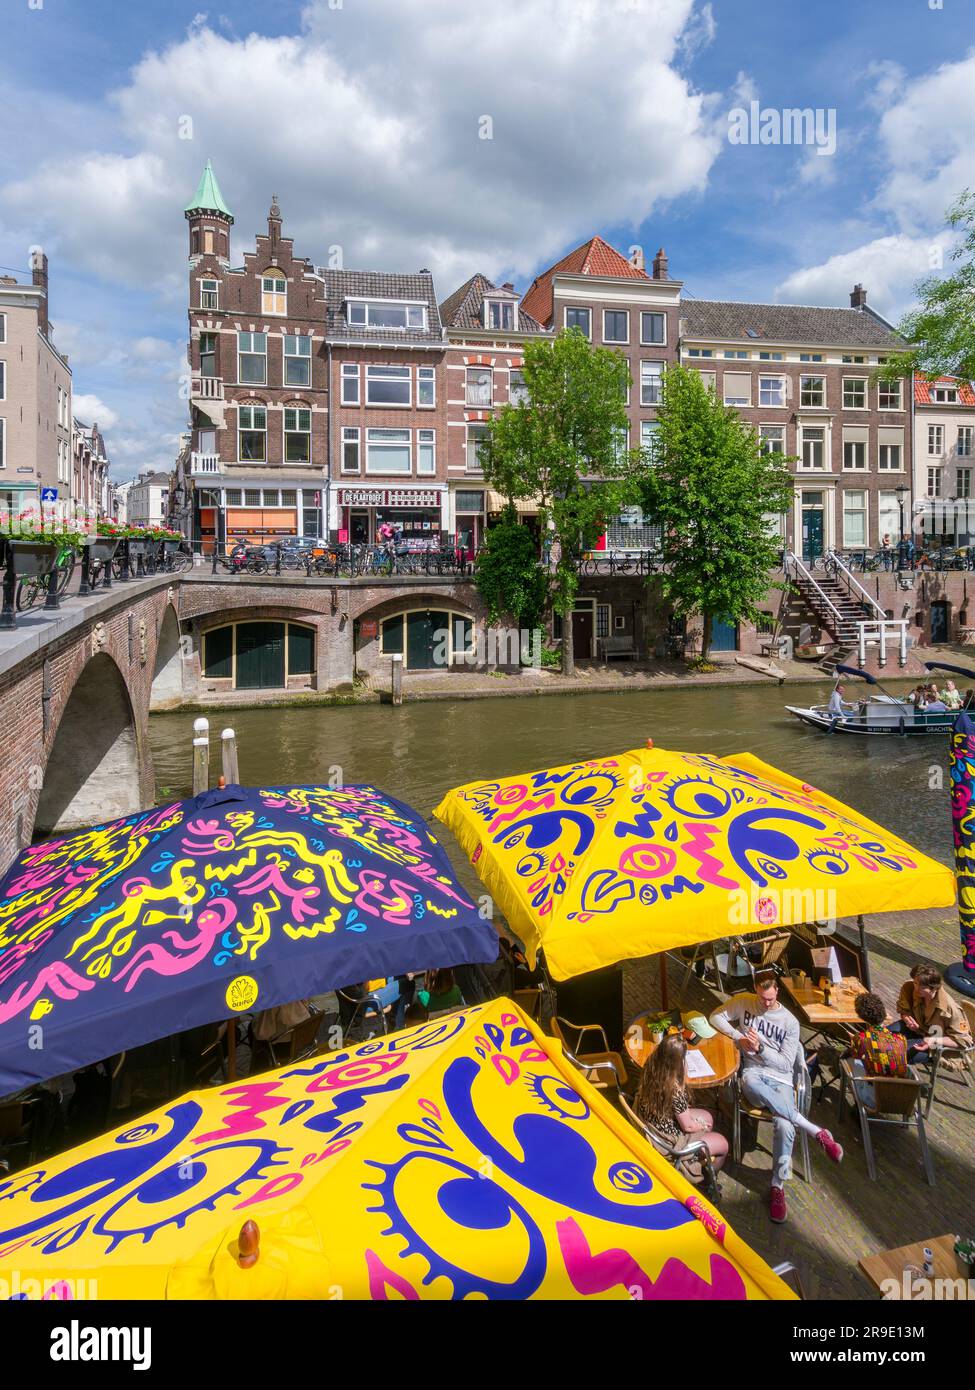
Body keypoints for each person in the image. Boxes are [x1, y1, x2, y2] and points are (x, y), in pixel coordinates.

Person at [710, 969, 842, 1224]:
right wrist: (739, 1038)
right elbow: (715, 1017)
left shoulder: (790, 1022)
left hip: (780, 1079)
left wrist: (760, 1048)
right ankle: (816, 1132)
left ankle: (778, 1185)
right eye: (761, 997)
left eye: (769, 999)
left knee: (784, 1125)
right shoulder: (745, 1002)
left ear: (777, 992)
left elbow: (784, 1064)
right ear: (756, 989)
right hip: (754, 1075)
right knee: (748, 1081)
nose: (765, 1003)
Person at [633, 1033, 728, 1180]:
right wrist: (701, 1126)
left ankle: (702, 1151)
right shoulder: (674, 1090)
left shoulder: (650, 1067)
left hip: (653, 1120)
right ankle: (709, 1181)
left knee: (708, 1115)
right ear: (678, 1062)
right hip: (668, 1138)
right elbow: (688, 1127)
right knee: (723, 1144)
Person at [891, 964, 972, 1063]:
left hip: (935, 1046)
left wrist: (933, 1040)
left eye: (922, 987)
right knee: (882, 1036)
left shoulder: (950, 1009)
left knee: (895, 1053)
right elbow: (903, 1009)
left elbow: (965, 1041)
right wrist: (907, 1019)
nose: (916, 989)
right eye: (916, 983)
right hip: (918, 1030)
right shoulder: (910, 987)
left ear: (934, 988)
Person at [845, 991, 908, 1110]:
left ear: (861, 1016)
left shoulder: (863, 1038)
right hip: (901, 1097)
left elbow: (855, 1055)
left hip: (874, 1098)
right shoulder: (901, 1038)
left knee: (848, 1061)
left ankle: (857, 1109)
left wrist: (855, 1041)